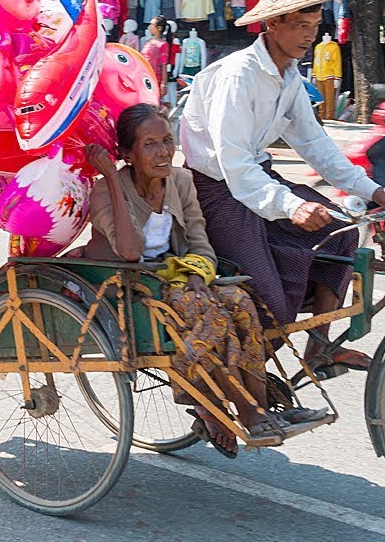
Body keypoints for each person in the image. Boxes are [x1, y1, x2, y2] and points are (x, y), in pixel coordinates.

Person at [179, 0, 385, 371]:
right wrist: (289, 206)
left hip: (255, 181)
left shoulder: (288, 75)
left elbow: (314, 143)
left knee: (340, 235)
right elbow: (234, 164)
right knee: (271, 301)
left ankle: (320, 348)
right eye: (301, 26)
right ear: (272, 24)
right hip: (217, 191)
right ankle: (223, 390)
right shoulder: (238, 76)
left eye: (313, 25)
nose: (309, 36)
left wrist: (372, 190)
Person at [84, 104, 329, 458]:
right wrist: (110, 178)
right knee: (204, 311)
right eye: (150, 144)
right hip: (131, 286)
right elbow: (129, 251)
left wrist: (199, 272)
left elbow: (200, 241)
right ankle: (235, 411)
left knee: (241, 301)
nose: (163, 151)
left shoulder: (181, 182)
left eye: (167, 141)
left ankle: (260, 409)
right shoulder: (107, 190)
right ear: (127, 153)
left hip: (178, 278)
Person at [140, 15, 178, 107]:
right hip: (144, 77)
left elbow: (164, 65)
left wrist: (163, 84)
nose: (149, 27)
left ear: (159, 28)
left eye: (152, 24)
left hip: (155, 78)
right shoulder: (148, 42)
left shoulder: (163, 44)